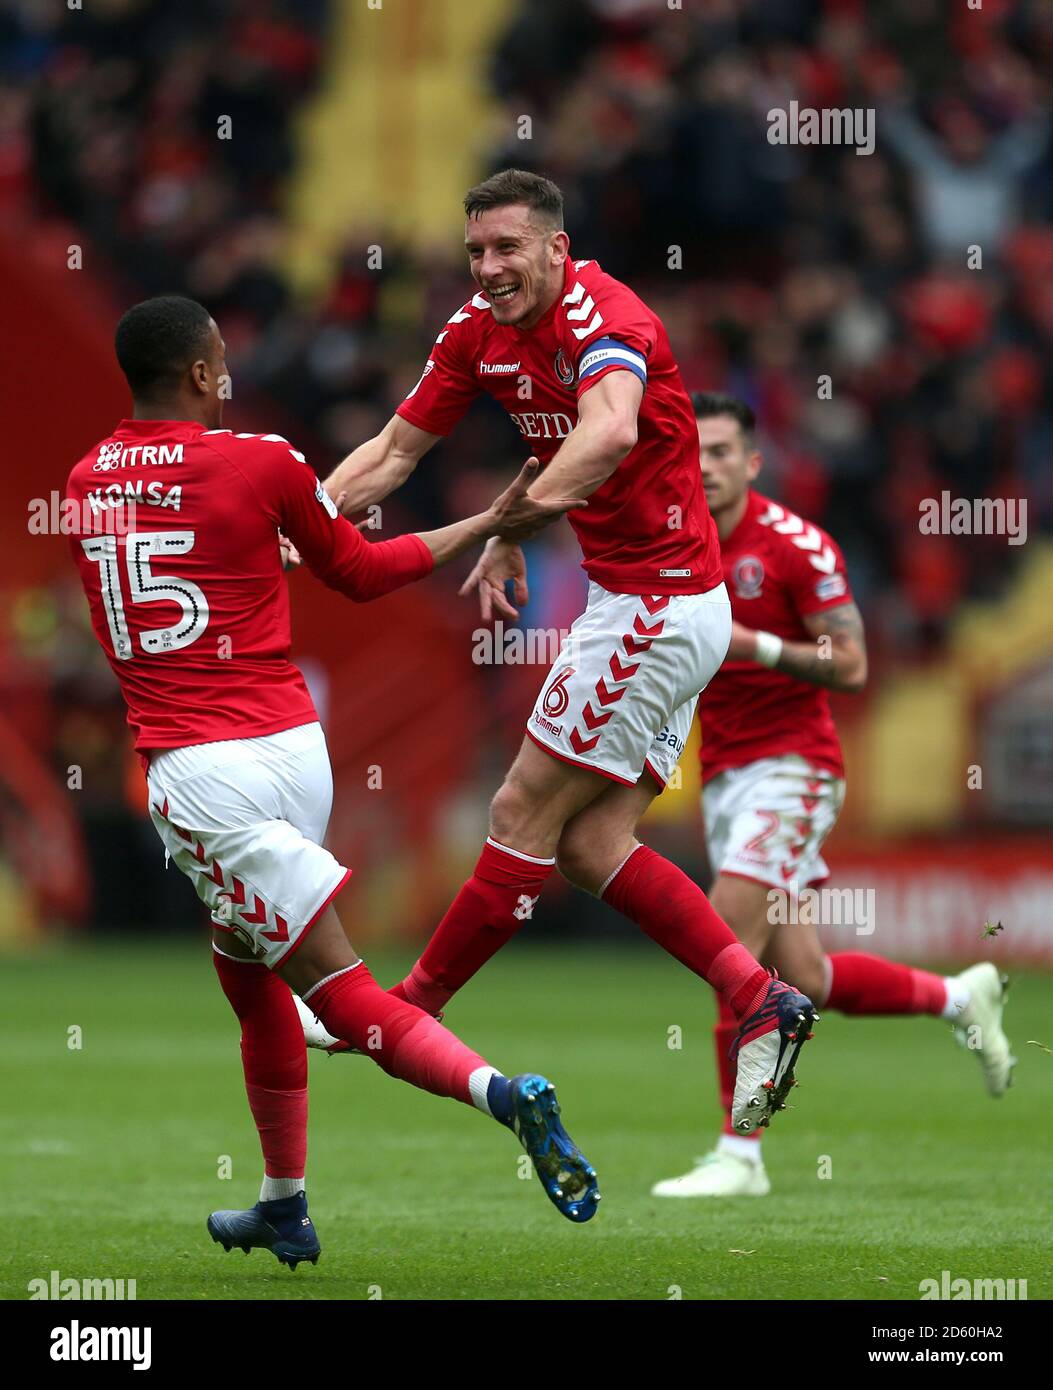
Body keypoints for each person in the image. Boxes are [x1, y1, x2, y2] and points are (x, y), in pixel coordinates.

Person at [65, 294, 601, 1268]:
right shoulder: (265, 459)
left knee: (338, 987)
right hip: (293, 752)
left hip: (199, 770)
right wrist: (488, 518)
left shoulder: (84, 483)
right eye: (222, 363)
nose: (228, 379)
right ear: (198, 374)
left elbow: (141, 599)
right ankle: (283, 1202)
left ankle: (504, 1092)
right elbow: (358, 570)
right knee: (243, 966)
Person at [322, 169, 818, 1134]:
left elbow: (608, 430)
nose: (489, 268)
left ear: (556, 248)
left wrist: (515, 515)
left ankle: (411, 1006)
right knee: (590, 845)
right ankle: (762, 997)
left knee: (518, 807)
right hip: (653, 603)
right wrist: (300, 519)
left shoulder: (607, 315)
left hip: (654, 606)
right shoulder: (474, 331)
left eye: (507, 249)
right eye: (475, 251)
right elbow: (392, 451)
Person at [650, 393, 1015, 1199]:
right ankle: (959, 995)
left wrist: (753, 644)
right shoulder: (672, 542)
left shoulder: (792, 547)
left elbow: (850, 664)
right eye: (693, 453)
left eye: (721, 452)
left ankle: (737, 1153)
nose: (704, 467)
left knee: (724, 940)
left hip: (794, 767)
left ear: (751, 462)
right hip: (724, 777)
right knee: (803, 977)